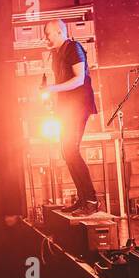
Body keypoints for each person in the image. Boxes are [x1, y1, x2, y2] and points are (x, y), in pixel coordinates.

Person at [40, 19, 99, 213]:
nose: (46, 37)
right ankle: (83, 199)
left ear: (58, 32)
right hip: (67, 109)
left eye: (48, 33)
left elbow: (79, 78)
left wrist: (52, 88)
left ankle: (90, 200)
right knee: (68, 152)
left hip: (78, 107)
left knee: (71, 151)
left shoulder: (74, 47)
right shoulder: (56, 54)